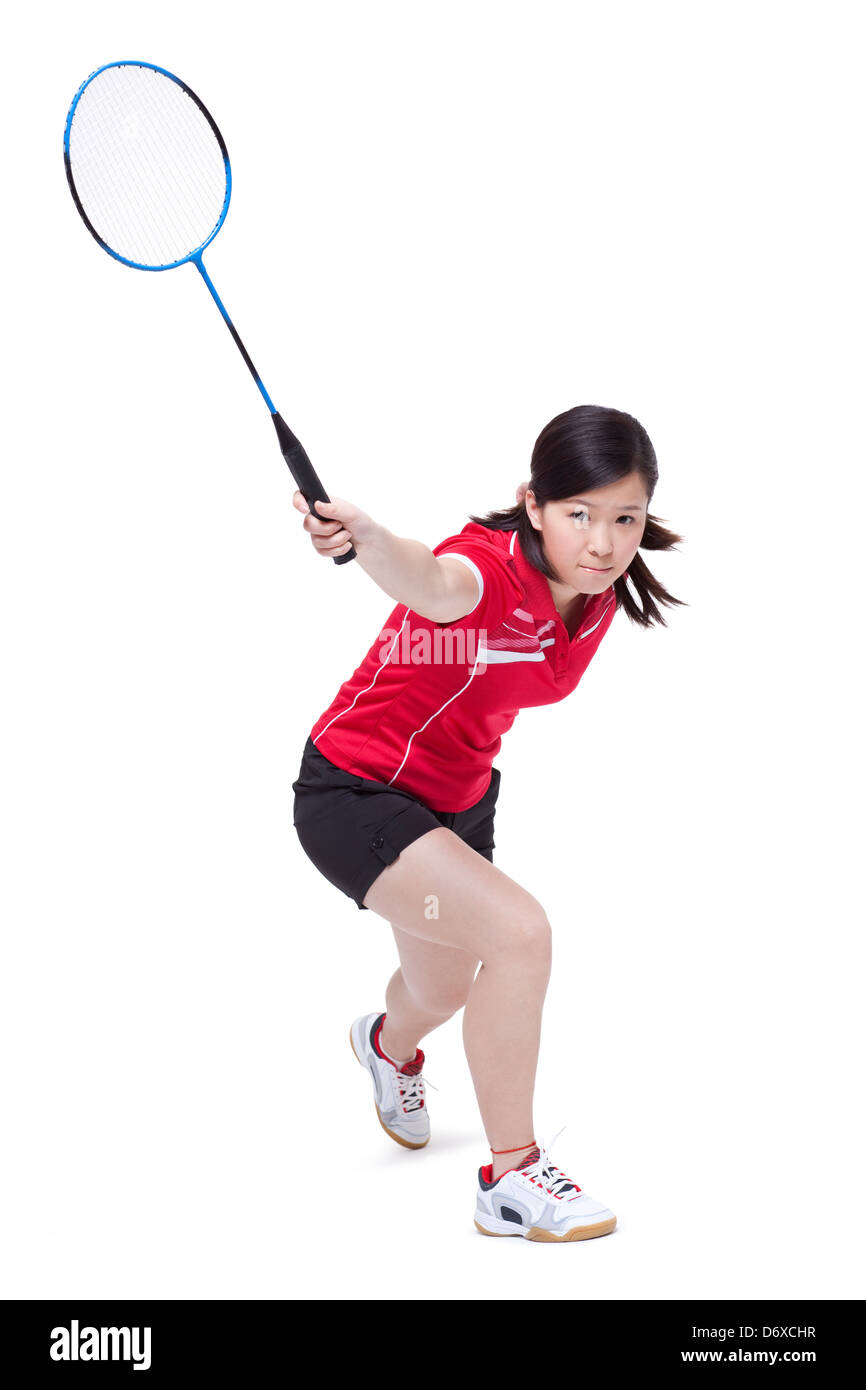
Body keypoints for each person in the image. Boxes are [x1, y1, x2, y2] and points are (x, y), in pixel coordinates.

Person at [291, 404, 685, 1241]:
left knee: (441, 988)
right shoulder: (485, 569)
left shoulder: (599, 591)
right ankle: (511, 1178)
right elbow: (432, 583)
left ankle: (386, 1046)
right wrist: (367, 536)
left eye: (626, 518)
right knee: (521, 935)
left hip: (457, 802)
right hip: (357, 791)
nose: (604, 541)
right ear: (533, 502)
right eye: (579, 513)